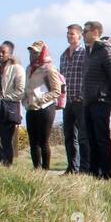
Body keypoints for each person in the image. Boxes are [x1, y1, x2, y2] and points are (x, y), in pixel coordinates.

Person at [82, 21, 111, 180]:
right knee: (91, 138)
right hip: (89, 101)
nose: (83, 34)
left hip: (102, 100)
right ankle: (94, 173)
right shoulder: (88, 51)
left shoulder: (107, 50)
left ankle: (106, 174)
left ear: (95, 32)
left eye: (86, 31)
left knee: (101, 138)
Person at [25, 41, 64, 170]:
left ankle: (46, 170)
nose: (32, 55)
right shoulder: (29, 68)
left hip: (46, 108)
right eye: (30, 52)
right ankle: (37, 169)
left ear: (42, 52)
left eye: (35, 52)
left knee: (43, 141)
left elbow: (56, 90)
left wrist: (41, 99)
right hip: (31, 107)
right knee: (33, 142)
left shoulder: (49, 68)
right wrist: (25, 100)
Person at [0, 41, 25, 165]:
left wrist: (4, 98)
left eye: (4, 52)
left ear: (10, 54)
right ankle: (4, 164)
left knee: (7, 141)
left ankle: (7, 167)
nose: (0, 54)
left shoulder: (17, 69)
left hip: (7, 109)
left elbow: (21, 91)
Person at [59, 24, 91, 174]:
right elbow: (61, 79)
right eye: (68, 33)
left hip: (80, 100)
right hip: (68, 101)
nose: (69, 36)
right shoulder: (63, 55)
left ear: (80, 36)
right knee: (69, 136)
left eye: (72, 34)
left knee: (83, 136)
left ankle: (85, 167)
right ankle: (72, 167)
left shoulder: (85, 54)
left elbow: (88, 77)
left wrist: (82, 96)